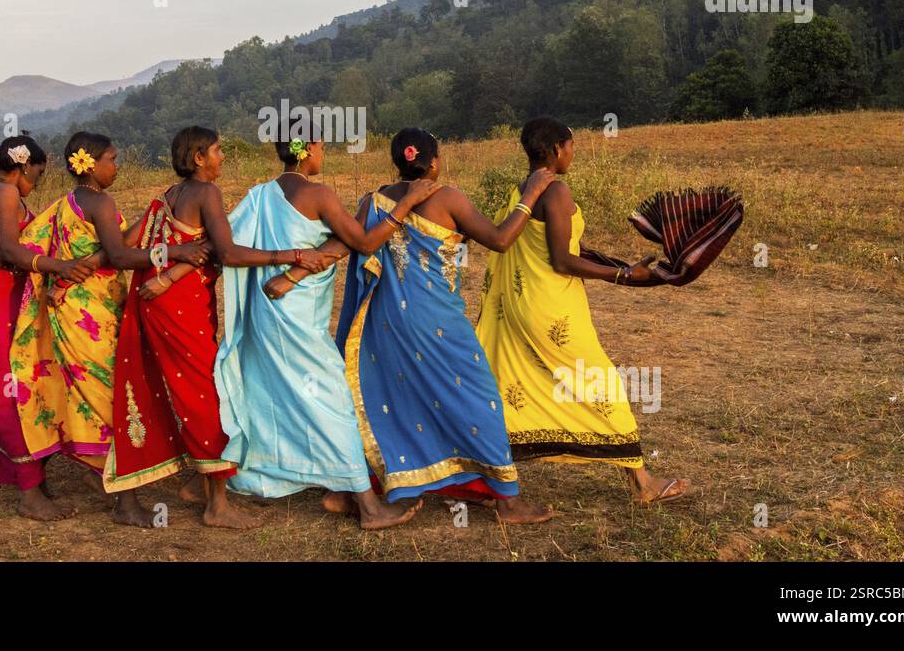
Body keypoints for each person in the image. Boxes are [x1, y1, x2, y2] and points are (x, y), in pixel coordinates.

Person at [267, 128, 554, 523]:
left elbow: (348, 243)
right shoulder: (446, 197)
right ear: (433, 162)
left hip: (386, 321)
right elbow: (502, 240)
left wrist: (291, 277)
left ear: (397, 162)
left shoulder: (374, 200)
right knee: (478, 396)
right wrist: (531, 194)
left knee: (392, 397)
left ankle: (360, 486)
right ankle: (507, 499)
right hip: (438, 319)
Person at [103, 126, 336, 529]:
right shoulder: (205, 193)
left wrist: (170, 262)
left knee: (147, 386)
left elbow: (129, 250)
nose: (222, 157)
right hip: (181, 310)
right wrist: (293, 254)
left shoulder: (167, 197)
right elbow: (227, 252)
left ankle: (138, 496)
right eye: (217, 150)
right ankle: (217, 503)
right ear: (198, 158)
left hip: (156, 305)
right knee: (206, 394)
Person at [217, 136, 441, 530]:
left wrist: (293, 272)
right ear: (308, 150)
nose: (323, 154)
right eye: (320, 147)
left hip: (268, 313)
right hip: (299, 321)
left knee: (276, 391)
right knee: (333, 398)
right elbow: (366, 242)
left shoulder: (261, 195)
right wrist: (406, 202)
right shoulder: (318, 194)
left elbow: (340, 239)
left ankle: (273, 474)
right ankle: (368, 506)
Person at [475, 117, 690, 505]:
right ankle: (642, 483)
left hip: (525, 306)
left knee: (520, 382)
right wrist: (621, 275)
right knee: (601, 382)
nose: (574, 153)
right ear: (557, 149)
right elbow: (562, 260)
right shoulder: (555, 191)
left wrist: (626, 268)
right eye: (571, 146)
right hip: (553, 308)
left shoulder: (520, 190)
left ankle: (488, 473)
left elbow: (554, 247)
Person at [10, 132, 210, 528]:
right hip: (92, 314)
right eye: (113, 160)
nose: (116, 167)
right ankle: (125, 501)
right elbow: (119, 255)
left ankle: (100, 474)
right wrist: (176, 252)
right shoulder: (100, 201)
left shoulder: (66, 204)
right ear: (93, 163)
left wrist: (153, 216)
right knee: (109, 398)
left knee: (92, 393)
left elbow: (105, 246)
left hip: (73, 309)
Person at [0, 135, 97, 521]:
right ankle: (29, 492)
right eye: (38, 175)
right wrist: (56, 266)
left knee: (0, 386)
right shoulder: (7, 194)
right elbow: (10, 251)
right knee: (15, 392)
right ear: (25, 166)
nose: (37, 183)